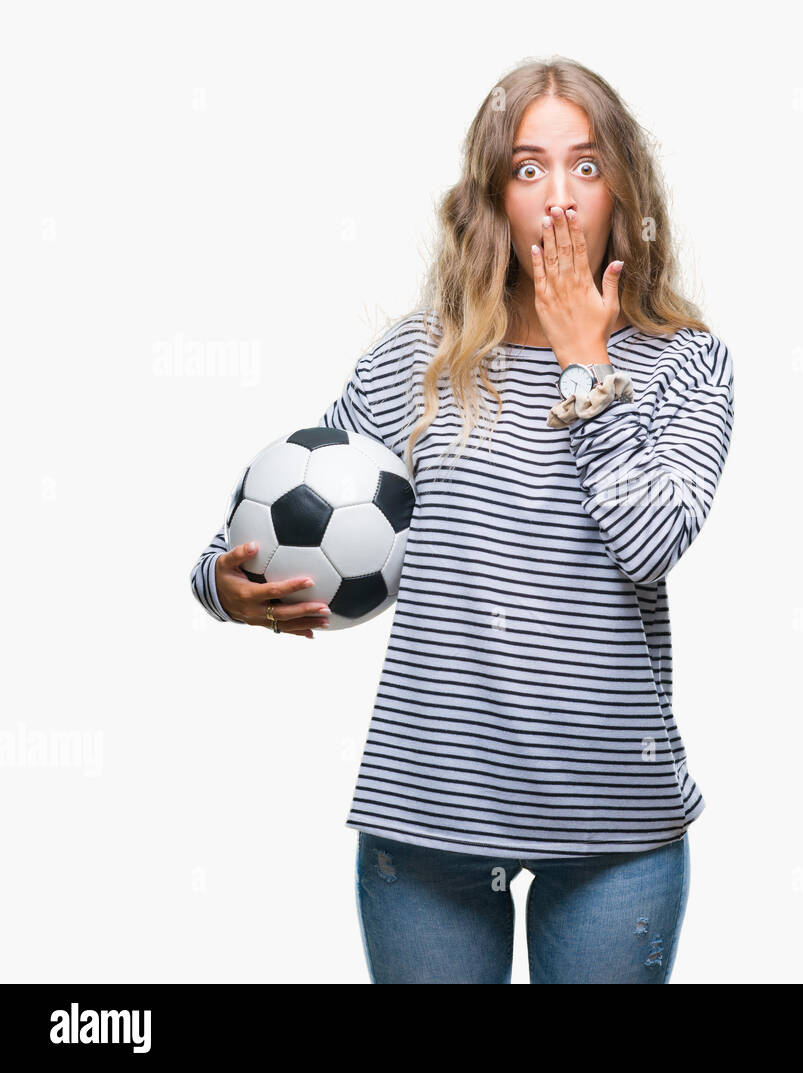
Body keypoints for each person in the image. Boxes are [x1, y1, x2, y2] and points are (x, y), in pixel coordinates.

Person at [188, 58, 735, 983]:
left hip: (614, 824)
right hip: (425, 821)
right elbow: (295, 491)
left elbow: (649, 546)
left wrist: (581, 359)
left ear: (624, 190)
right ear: (493, 196)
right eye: (529, 169)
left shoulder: (688, 363)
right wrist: (220, 579)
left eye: (586, 166)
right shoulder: (421, 356)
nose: (558, 199)